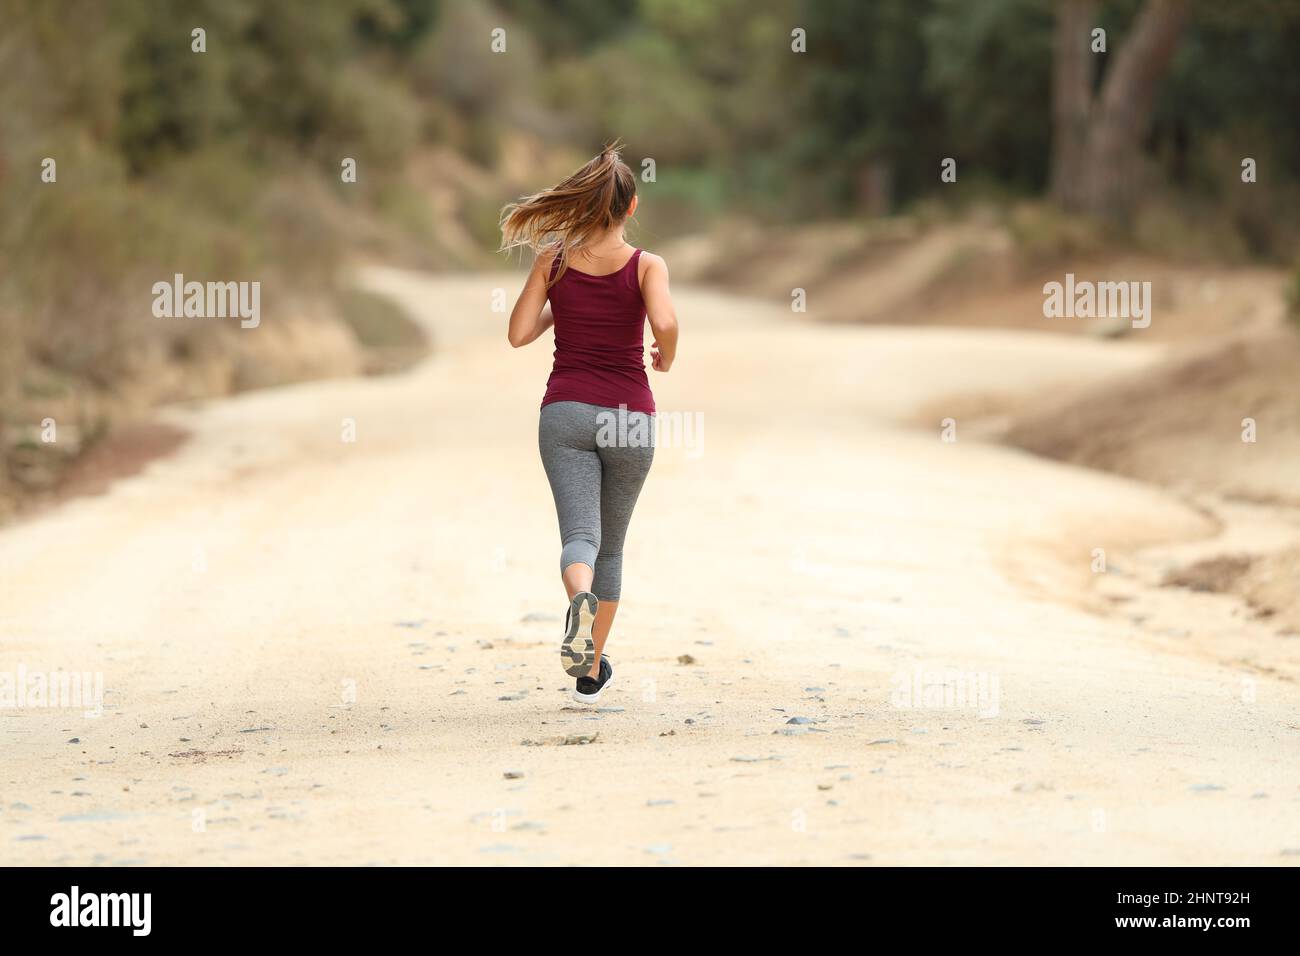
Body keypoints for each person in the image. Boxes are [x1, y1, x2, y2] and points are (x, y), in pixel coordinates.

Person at [500, 141, 679, 704]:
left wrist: (563, 301)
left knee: (580, 537)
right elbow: (666, 322)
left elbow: (519, 333)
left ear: (582, 206)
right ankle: (589, 667)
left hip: (567, 413)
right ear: (630, 209)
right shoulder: (647, 265)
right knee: (613, 549)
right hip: (629, 418)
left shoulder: (553, 260)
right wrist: (665, 356)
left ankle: (576, 599)